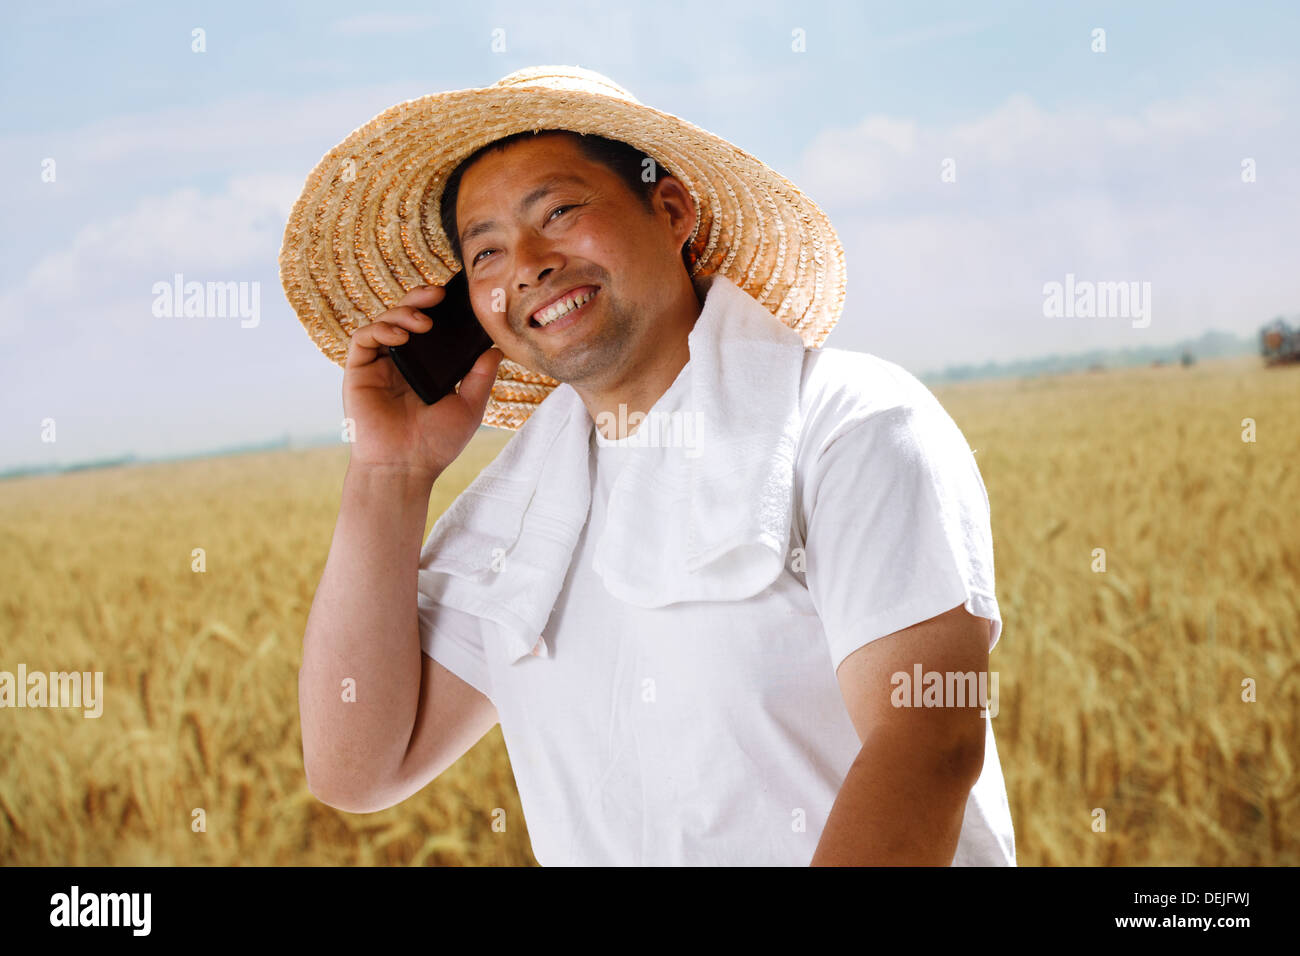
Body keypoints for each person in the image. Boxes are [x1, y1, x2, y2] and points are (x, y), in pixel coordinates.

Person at [286, 66, 1015, 866]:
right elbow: (357, 768)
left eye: (559, 211)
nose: (525, 264)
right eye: (485, 252)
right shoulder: (523, 507)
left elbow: (930, 743)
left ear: (670, 211)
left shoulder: (851, 423)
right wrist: (389, 476)